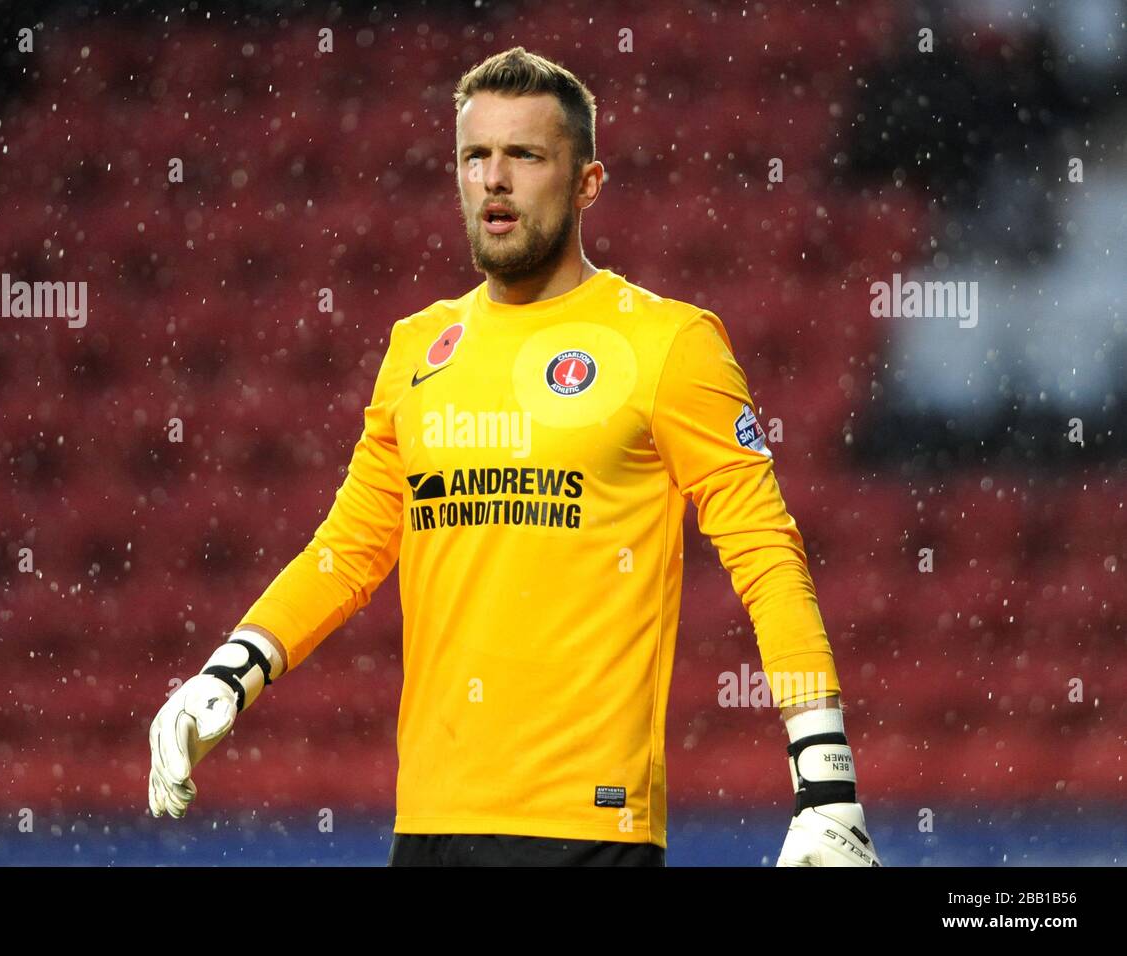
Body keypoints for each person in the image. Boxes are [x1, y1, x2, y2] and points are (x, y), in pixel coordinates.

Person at [148, 47, 880, 868]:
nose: (494, 179)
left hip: (587, 826)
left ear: (587, 183)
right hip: (430, 822)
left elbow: (765, 555)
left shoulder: (671, 343)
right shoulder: (419, 347)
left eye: (525, 155)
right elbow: (347, 550)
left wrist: (826, 780)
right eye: (475, 156)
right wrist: (229, 672)